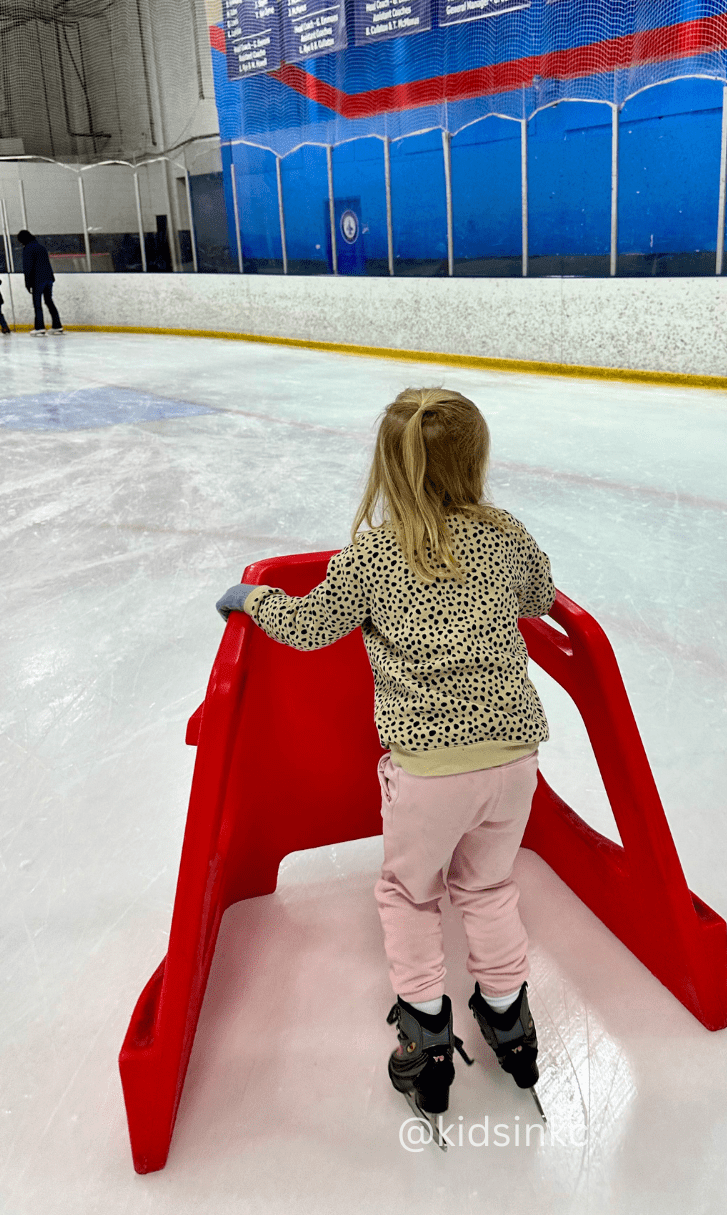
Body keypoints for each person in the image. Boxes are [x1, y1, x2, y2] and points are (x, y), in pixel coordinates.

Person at [215, 388, 555, 1128]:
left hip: (429, 769)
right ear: (476, 460)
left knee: (409, 894)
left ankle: (428, 1038)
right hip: (513, 761)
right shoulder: (506, 535)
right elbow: (540, 595)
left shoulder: (373, 555)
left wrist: (252, 600)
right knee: (489, 887)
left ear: (389, 469)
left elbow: (307, 628)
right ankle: (510, 1021)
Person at [15, 229, 63, 336]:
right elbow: (46, 263)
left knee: (37, 303)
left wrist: (27, 283)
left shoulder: (28, 249)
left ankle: (40, 327)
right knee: (49, 301)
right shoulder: (41, 247)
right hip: (48, 278)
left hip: (38, 280)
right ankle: (57, 325)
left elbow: (28, 267)